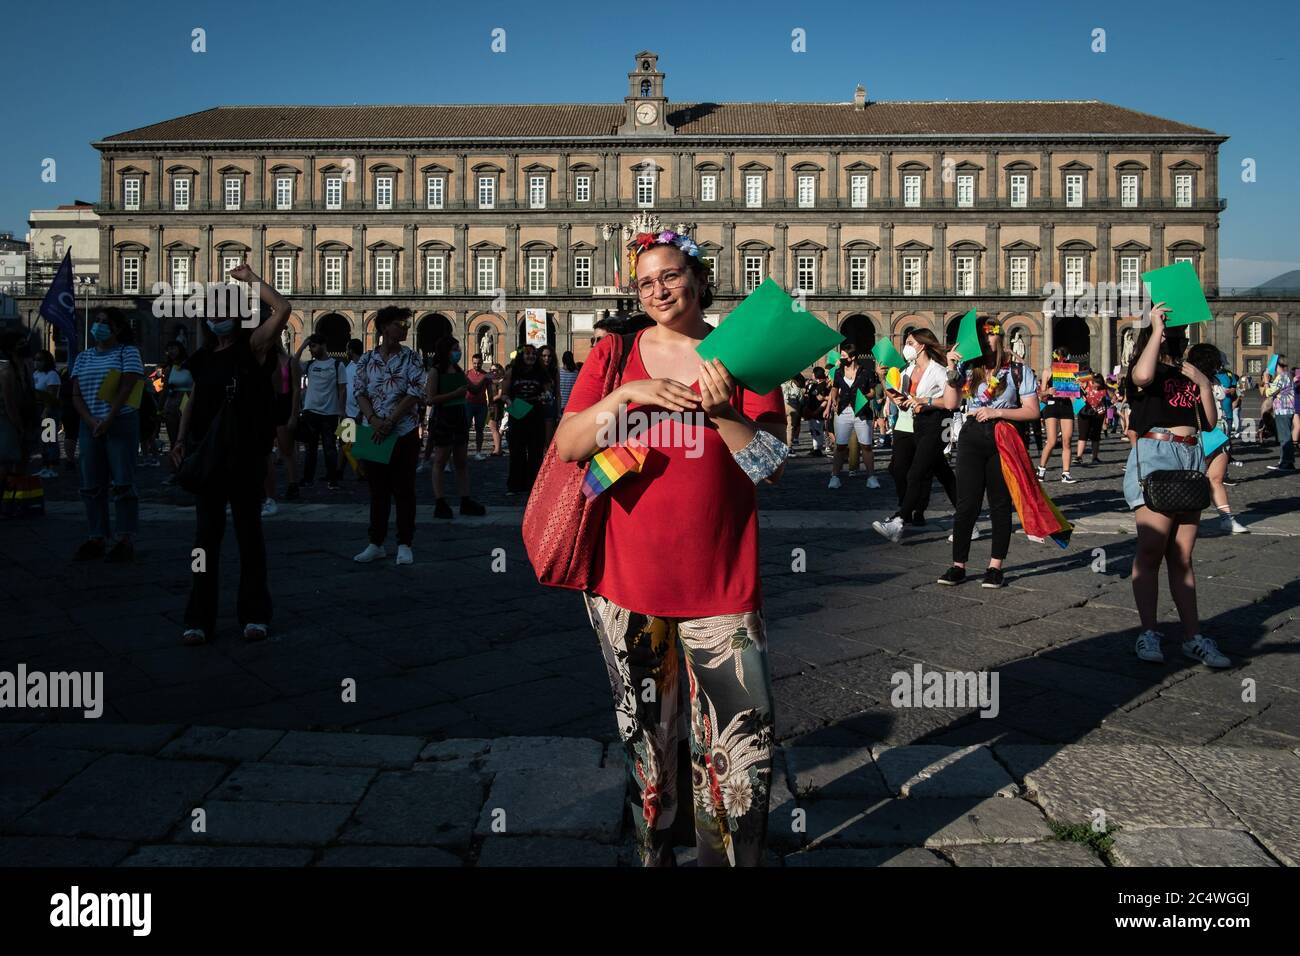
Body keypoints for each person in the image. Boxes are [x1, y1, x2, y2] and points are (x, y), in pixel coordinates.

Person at [554, 228, 786, 867]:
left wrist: (723, 415)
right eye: (646, 280)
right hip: (627, 582)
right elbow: (570, 445)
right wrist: (625, 396)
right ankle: (652, 857)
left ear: (700, 277)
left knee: (742, 747)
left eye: (672, 275)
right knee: (649, 745)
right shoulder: (614, 352)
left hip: (721, 582)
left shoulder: (742, 355)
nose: (659, 289)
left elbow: (770, 465)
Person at [171, 266, 291, 644]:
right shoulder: (202, 357)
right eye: (212, 310)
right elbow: (193, 400)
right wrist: (179, 438)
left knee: (248, 536)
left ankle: (254, 614)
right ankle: (198, 618)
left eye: (225, 309)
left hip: (245, 454)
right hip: (208, 455)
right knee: (204, 540)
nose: (217, 315)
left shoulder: (253, 348)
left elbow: (283, 310)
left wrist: (253, 279)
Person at [1124, 304, 1229, 668]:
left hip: (1189, 456)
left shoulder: (1189, 374)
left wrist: (1202, 383)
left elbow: (1210, 423)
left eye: (1181, 336)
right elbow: (1141, 377)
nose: (1179, 341)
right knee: (1151, 548)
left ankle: (1192, 636)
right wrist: (1155, 328)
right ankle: (1149, 632)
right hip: (1155, 454)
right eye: (1173, 335)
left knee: (1182, 556)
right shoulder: (1144, 371)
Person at [936, 319, 1042, 588]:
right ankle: (958, 565)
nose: (986, 340)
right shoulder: (969, 369)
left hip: (1003, 435)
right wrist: (951, 370)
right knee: (966, 503)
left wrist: (998, 411)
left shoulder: (1018, 370)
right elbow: (951, 403)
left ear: (1000, 337)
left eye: (990, 334)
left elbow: (1032, 411)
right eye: (981, 336)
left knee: (999, 503)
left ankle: (995, 566)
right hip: (972, 435)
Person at [352, 307, 427, 565]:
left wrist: (390, 420)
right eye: (399, 324)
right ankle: (376, 543)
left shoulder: (412, 358)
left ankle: (405, 543)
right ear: (384, 327)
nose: (405, 328)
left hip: (403, 431)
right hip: (373, 432)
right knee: (377, 490)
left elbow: (415, 392)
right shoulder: (366, 359)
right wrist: (373, 420)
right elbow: (359, 392)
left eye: (406, 324)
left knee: (404, 489)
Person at [70, 308, 144, 562]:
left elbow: (128, 385)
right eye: (98, 322)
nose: (99, 326)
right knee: (91, 485)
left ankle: (125, 538)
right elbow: (76, 394)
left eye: (105, 323)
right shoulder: (83, 357)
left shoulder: (128, 352)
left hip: (121, 423)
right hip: (90, 426)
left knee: (123, 483)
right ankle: (96, 536)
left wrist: (109, 418)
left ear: (118, 329)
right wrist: (91, 421)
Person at [873, 329, 956, 543]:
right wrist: (883, 379)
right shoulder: (908, 371)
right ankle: (969, 518)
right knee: (944, 474)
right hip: (919, 425)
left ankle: (900, 520)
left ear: (922, 345)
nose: (906, 346)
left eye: (910, 342)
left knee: (916, 473)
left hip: (938, 423)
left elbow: (951, 402)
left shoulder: (938, 370)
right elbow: (899, 401)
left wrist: (924, 400)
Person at [1187, 344, 1247, 534]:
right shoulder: (1190, 381)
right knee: (1193, 479)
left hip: (1219, 434)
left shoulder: (1214, 379)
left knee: (1216, 478)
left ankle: (1226, 519)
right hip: (1199, 435)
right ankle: (1184, 519)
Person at [425, 335, 487, 519]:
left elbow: (474, 390)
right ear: (445, 351)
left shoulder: (460, 371)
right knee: (440, 460)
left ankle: (465, 500)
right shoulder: (436, 372)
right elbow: (430, 399)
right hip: (443, 416)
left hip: (460, 415)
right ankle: (440, 502)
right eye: (454, 349)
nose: (458, 352)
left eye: (458, 349)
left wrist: (486, 380)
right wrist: (454, 394)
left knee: (461, 461)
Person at [296, 335, 346, 490]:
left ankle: (332, 480)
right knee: (310, 449)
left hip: (330, 413)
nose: (311, 349)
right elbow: (292, 363)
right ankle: (307, 478)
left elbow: (342, 389)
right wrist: (303, 345)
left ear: (323, 345)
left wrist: (342, 410)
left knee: (330, 448)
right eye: (310, 347)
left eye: (313, 346)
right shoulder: (309, 365)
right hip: (310, 411)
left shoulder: (338, 365)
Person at [827, 347, 880, 489]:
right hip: (843, 411)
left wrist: (864, 397)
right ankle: (835, 477)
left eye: (844, 356)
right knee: (840, 446)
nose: (841, 358)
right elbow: (834, 387)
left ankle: (871, 477)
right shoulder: (838, 372)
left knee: (866, 445)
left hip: (862, 411)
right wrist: (834, 399)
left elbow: (873, 392)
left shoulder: (866, 372)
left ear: (852, 357)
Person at [503, 344, 550, 495]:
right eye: (527, 354)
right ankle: (515, 485)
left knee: (536, 451)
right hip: (517, 411)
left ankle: (534, 486)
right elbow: (504, 393)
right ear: (521, 356)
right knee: (517, 451)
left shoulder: (541, 373)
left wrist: (546, 395)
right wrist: (508, 401)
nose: (531, 357)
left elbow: (548, 390)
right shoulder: (512, 372)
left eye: (533, 354)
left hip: (536, 412)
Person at [262, 336, 300, 515]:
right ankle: (268, 494)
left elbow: (295, 391)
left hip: (284, 407)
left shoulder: (290, 362)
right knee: (265, 452)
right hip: (267, 406)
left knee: (287, 450)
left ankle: (293, 484)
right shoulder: (261, 362)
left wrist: (294, 414)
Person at [1038, 348, 1077, 483]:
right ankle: (1041, 468)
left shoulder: (1072, 371)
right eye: (1059, 358)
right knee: (1052, 441)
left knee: (1067, 440)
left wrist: (1078, 386)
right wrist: (1048, 391)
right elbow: (1041, 394)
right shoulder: (1047, 371)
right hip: (1052, 405)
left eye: (1064, 358)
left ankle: (1066, 473)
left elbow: (1076, 392)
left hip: (1066, 405)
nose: (1062, 360)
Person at [161, 342, 192, 483]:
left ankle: (188, 469)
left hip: (186, 403)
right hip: (171, 404)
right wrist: (159, 409)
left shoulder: (190, 366)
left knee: (187, 438)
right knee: (174, 439)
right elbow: (164, 390)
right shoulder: (168, 368)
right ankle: (175, 471)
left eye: (173, 348)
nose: (171, 351)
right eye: (169, 349)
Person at [0, 333, 28, 491]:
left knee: (19, 461)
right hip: (7, 420)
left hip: (22, 419)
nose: (25, 345)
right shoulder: (6, 372)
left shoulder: (25, 367)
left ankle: (14, 498)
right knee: (5, 461)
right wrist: (19, 426)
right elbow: (9, 404)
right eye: (21, 343)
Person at [32, 349, 62, 477]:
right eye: (35, 359)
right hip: (37, 409)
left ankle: (52, 467)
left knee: (49, 438)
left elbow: (52, 395)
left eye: (40, 360)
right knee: (42, 441)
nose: (36, 362)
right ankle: (44, 466)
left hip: (48, 410)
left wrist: (46, 410)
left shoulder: (52, 375)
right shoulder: (36, 374)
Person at [1264, 357, 1297, 471]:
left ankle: (1287, 463)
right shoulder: (1287, 375)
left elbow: (1269, 392)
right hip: (1286, 409)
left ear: (1277, 366)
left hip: (1283, 410)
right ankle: (1285, 461)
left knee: (1285, 438)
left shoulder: (1282, 377)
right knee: (1285, 437)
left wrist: (1266, 380)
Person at [1074, 371, 1108, 466]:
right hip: (1084, 412)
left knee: (1096, 436)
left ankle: (1095, 457)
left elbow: (1112, 398)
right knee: (1083, 435)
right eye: (1095, 385)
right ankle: (1079, 456)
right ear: (1092, 381)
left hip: (1098, 413)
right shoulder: (1085, 383)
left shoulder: (1104, 388)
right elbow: (1075, 380)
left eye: (1099, 385)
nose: (1096, 387)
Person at [465, 351, 493, 460]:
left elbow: (490, 391)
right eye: (475, 363)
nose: (477, 365)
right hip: (468, 404)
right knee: (466, 428)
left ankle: (478, 452)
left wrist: (491, 403)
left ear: (482, 362)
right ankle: (464, 451)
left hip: (481, 405)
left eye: (479, 363)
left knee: (480, 429)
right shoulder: (467, 374)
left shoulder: (486, 375)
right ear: (472, 363)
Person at [801, 366, 831, 456]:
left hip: (818, 411)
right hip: (811, 410)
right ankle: (815, 447)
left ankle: (818, 449)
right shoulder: (814, 385)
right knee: (812, 429)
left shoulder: (824, 385)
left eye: (813, 373)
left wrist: (818, 410)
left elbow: (825, 400)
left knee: (818, 430)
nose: (812, 375)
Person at [539, 345, 562, 446]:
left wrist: (558, 412)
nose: (546, 358)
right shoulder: (534, 371)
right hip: (536, 407)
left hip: (549, 407)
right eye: (543, 356)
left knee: (548, 439)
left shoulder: (554, 371)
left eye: (549, 356)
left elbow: (557, 393)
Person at [781, 373, 806, 450]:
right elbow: (801, 401)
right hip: (793, 407)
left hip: (783, 405)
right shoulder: (799, 387)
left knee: (782, 426)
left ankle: (781, 444)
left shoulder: (783, 384)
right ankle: (789, 447)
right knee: (790, 428)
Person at [487, 362, 506, 456]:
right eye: (490, 370)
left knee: (493, 427)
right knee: (495, 428)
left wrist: (490, 400)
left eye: (494, 370)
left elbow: (499, 395)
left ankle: (497, 450)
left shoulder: (500, 381)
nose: (492, 372)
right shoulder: (491, 380)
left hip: (495, 406)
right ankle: (499, 448)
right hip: (493, 406)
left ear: (499, 371)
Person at [558, 350, 580, 414]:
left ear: (563, 360)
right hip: (572, 404)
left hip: (560, 404)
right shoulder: (576, 373)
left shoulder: (559, 372)